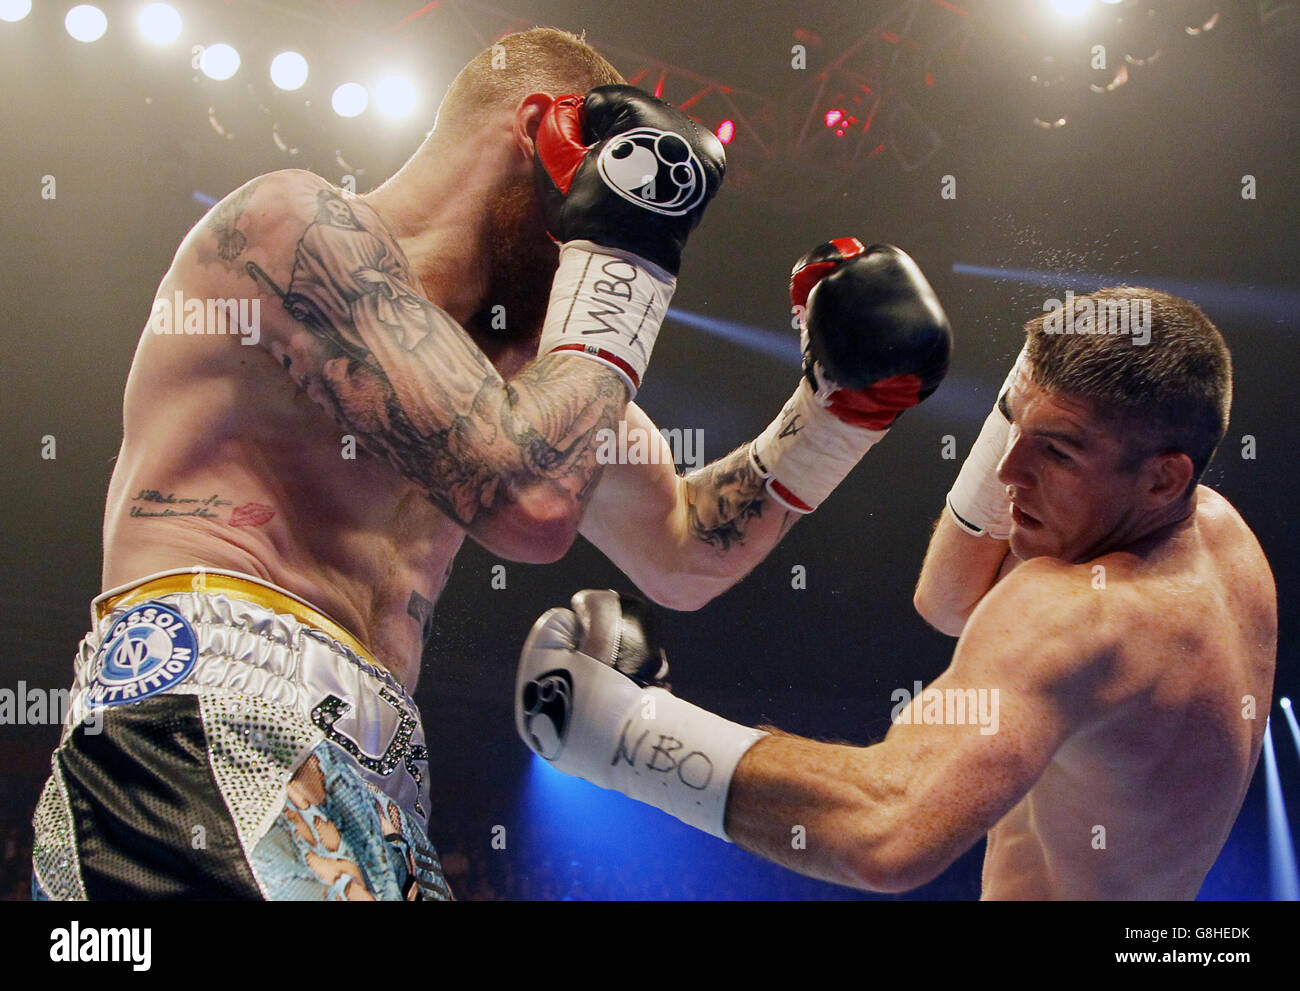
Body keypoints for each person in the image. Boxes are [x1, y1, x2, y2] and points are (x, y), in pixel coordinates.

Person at [31, 27, 948, 901]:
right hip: (199, 716)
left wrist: (835, 414)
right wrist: (630, 256)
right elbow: (528, 500)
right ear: (544, 139)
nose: (585, 265)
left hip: (381, 778)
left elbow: (687, 552)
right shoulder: (293, 228)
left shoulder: (520, 382)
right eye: (590, 214)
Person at [516, 286, 1277, 899]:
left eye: (1060, 449)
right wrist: (1027, 392)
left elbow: (886, 830)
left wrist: (622, 733)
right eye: (1017, 423)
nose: (1010, 472)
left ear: (1163, 475)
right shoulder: (1225, 544)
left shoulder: (1080, 612)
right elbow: (950, 600)